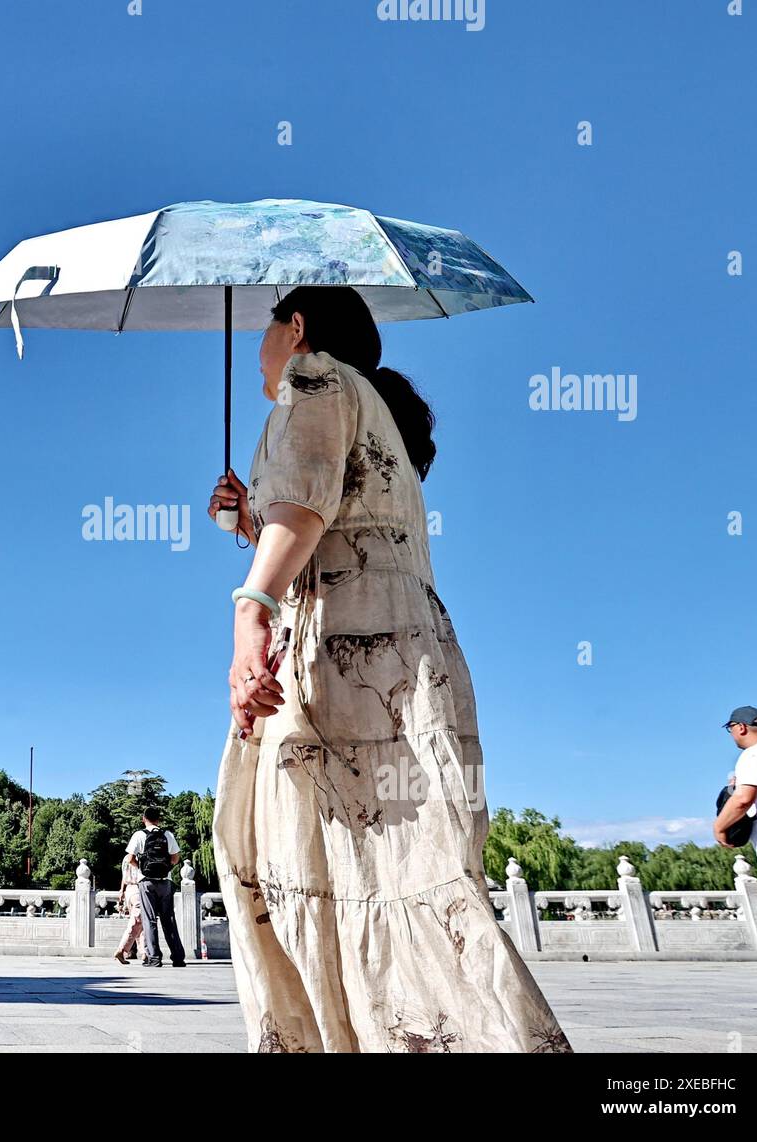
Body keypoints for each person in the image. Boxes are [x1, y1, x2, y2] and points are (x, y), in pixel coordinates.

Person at [207, 286, 571, 1053]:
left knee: (310, 866)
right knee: (398, 870)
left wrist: (250, 614)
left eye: (268, 326)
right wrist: (243, 518)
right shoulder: (368, 405)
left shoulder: (314, 378)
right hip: (399, 654)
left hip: (342, 658)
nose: (262, 345)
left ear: (297, 326)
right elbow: (323, 519)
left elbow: (305, 515)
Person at [713, 706, 757, 993]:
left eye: (730, 728)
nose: (731, 734)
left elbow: (744, 800)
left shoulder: (755, 755)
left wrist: (719, 826)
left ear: (739, 727)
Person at [125, 807, 186, 968]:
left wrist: (142, 868)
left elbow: (130, 858)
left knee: (149, 919)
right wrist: (164, 868)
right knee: (169, 920)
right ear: (159, 819)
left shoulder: (139, 835)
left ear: (143, 818)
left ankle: (154, 958)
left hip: (146, 882)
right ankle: (178, 957)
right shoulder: (167, 834)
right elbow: (175, 858)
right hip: (165, 882)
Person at [112, 852, 144, 966]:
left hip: (129, 892)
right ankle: (122, 950)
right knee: (137, 921)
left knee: (140, 924)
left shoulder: (126, 857)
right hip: (137, 890)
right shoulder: (139, 857)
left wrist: (122, 891)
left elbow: (124, 877)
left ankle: (144, 952)